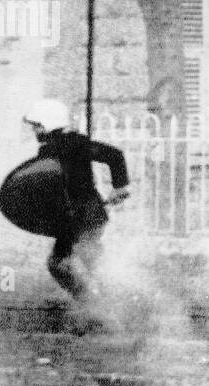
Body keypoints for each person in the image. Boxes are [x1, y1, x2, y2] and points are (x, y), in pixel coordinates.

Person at [24, 98, 131, 301]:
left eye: (37, 125)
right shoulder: (49, 151)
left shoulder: (75, 144)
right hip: (72, 218)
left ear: (48, 123)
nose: (34, 131)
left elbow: (114, 155)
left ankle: (110, 305)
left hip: (86, 214)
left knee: (86, 263)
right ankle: (93, 304)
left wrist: (120, 187)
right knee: (63, 264)